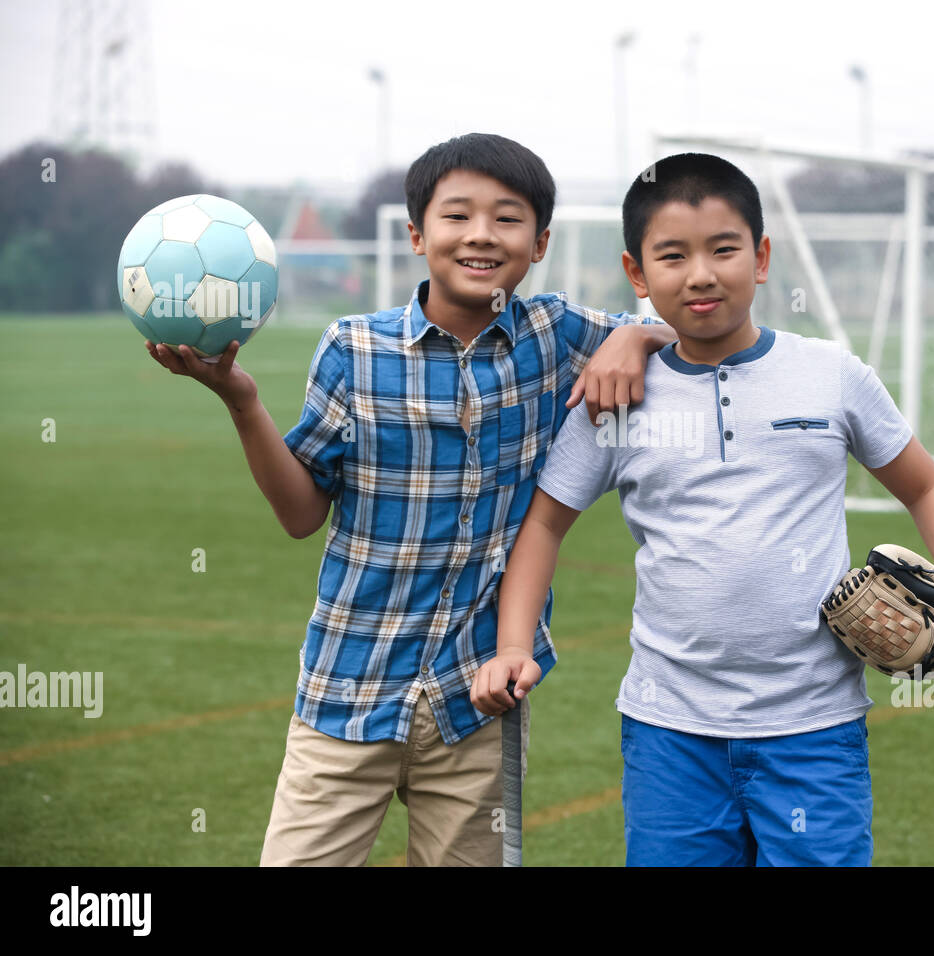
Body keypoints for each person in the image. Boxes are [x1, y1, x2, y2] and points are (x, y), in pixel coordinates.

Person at [145, 132, 676, 866]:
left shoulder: (558, 336)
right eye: (457, 215)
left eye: (508, 217)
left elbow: (691, 322)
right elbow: (303, 515)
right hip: (348, 691)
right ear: (417, 235)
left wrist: (638, 335)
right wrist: (242, 403)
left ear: (541, 241)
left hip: (478, 704)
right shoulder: (353, 349)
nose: (482, 234)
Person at [471, 152, 934, 866]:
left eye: (724, 249)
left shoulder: (830, 375)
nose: (701, 274)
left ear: (762, 255)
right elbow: (544, 523)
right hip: (669, 731)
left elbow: (927, 487)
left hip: (814, 727)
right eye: (673, 255)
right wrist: (511, 646)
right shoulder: (616, 396)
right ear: (637, 273)